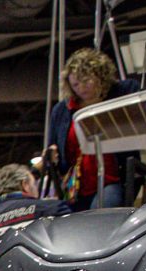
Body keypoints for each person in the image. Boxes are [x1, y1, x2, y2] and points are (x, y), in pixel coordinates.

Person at [46, 47, 139, 212]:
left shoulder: (123, 92)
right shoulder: (61, 110)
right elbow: (53, 146)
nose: (81, 88)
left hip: (112, 178)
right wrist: (52, 153)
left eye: (86, 80)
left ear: (100, 75)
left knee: (102, 218)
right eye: (75, 84)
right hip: (76, 186)